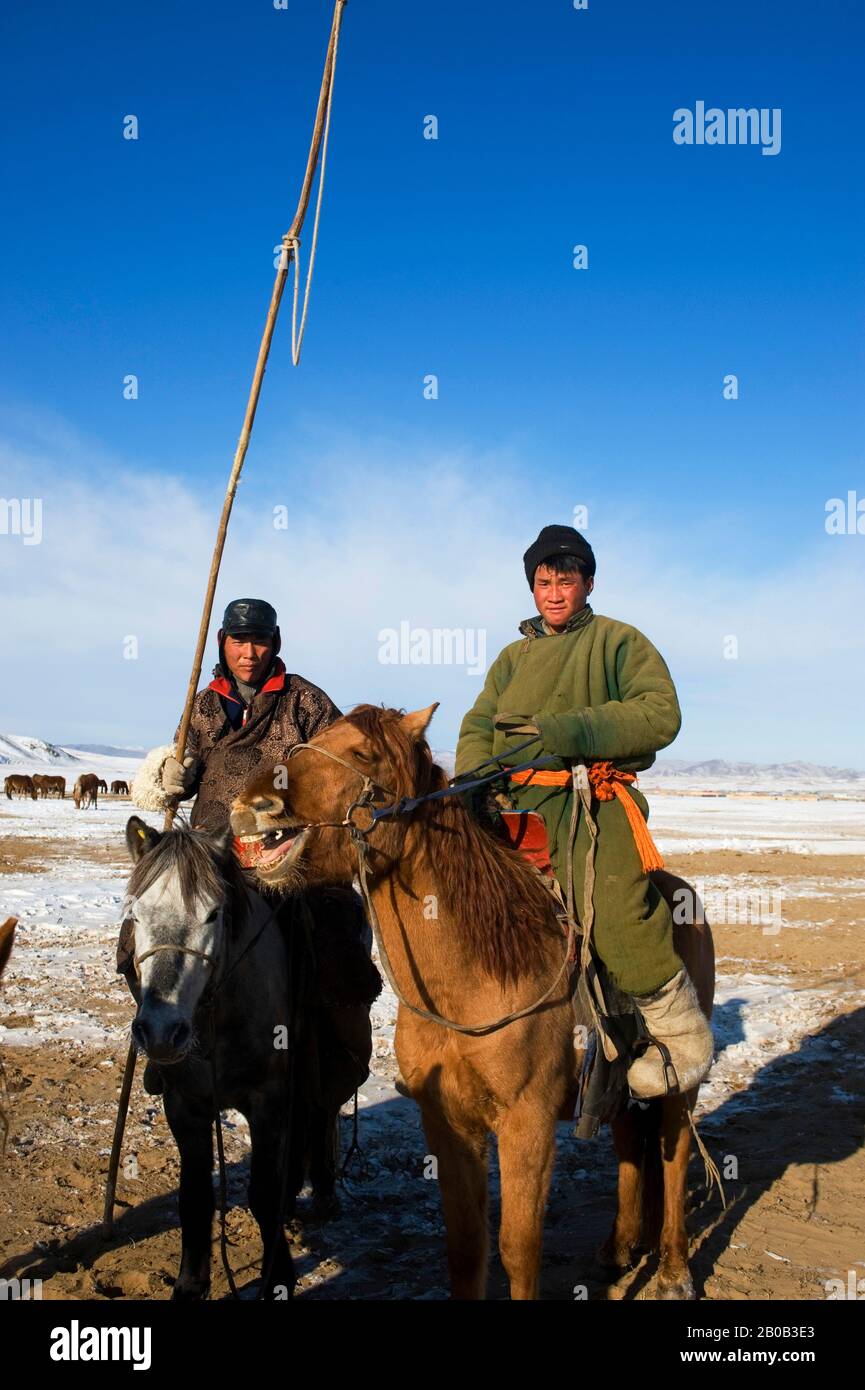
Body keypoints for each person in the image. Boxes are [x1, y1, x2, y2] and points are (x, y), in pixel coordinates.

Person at [455, 526, 713, 1098]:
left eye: (565, 581)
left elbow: (659, 714)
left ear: (587, 583)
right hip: (513, 805)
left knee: (614, 905)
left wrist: (572, 729)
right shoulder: (511, 658)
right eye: (543, 582)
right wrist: (474, 773)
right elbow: (478, 723)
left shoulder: (618, 641)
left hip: (588, 802)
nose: (553, 593)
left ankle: (677, 1034)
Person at [116, 598, 380, 1147]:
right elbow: (181, 772)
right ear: (223, 645)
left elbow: (337, 765)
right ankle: (165, 1039)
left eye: (258, 640)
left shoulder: (305, 701)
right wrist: (169, 774)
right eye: (238, 641)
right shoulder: (204, 707)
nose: (248, 651)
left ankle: (333, 1052)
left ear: (274, 643)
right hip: (211, 855)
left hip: (287, 855)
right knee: (136, 938)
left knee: (332, 938)